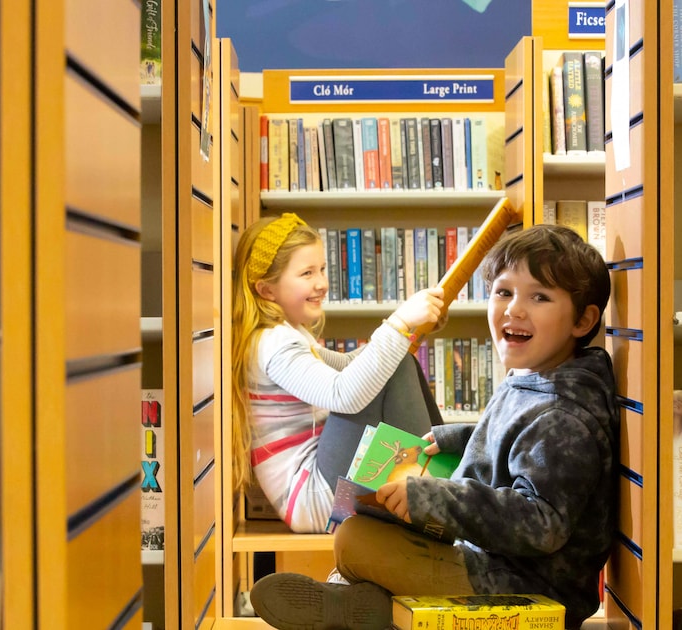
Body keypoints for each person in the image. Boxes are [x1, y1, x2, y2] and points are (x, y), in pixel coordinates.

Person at [249, 224, 619, 630]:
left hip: (523, 590)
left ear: (584, 321)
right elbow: (509, 443)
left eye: (540, 297)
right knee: (356, 535)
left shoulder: (563, 415)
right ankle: (364, 604)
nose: (514, 309)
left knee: (355, 544)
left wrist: (434, 498)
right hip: (491, 559)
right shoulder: (536, 380)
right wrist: (454, 438)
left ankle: (359, 603)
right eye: (504, 292)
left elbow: (541, 525)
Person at [231, 212, 447, 534]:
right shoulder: (273, 343)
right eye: (306, 273)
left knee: (399, 359)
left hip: (321, 482)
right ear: (267, 290)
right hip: (314, 498)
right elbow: (343, 394)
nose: (321, 283)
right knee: (396, 364)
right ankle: (441, 494)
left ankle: (444, 485)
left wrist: (410, 331)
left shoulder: (286, 333)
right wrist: (399, 323)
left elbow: (349, 366)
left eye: (321, 269)